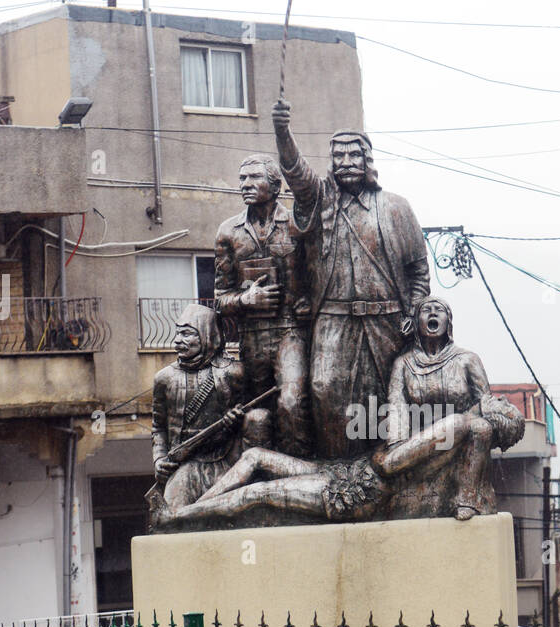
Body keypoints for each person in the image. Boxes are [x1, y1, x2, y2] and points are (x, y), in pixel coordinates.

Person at [272, 97, 430, 459]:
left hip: (387, 319)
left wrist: (415, 313)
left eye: (353, 156)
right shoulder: (321, 200)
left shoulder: (395, 207)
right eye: (338, 157)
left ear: (367, 160)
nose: (345, 163)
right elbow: (296, 173)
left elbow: (418, 271)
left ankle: (383, 469)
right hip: (333, 318)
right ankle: (336, 467)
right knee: (326, 389)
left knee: (381, 399)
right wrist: (283, 132)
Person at [164, 393, 526, 528]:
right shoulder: (466, 432)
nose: (500, 399)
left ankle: (180, 516)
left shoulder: (458, 423)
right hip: (356, 473)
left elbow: (392, 463)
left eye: (506, 406)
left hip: (359, 489)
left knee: (258, 492)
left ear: (498, 418)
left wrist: (389, 446)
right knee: (256, 457)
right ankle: (194, 510)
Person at [214, 153, 313, 456]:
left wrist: (310, 302)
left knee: (292, 401)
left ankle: (296, 471)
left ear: (275, 184)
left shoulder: (297, 224)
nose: (245, 184)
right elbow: (219, 298)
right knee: (258, 413)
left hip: (290, 331)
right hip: (251, 335)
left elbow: (320, 276)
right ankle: (262, 476)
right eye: (242, 178)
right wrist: (244, 300)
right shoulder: (228, 232)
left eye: (254, 177)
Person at [149, 304, 269, 526]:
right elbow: (158, 428)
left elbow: (253, 417)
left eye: (187, 333)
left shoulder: (233, 372)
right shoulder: (164, 378)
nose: (178, 340)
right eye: (177, 333)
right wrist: (159, 460)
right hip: (187, 464)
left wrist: (236, 421)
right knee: (172, 524)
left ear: (206, 335)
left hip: (227, 460)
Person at [384, 296, 494, 519]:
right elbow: (397, 407)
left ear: (448, 322)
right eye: (426, 310)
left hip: (460, 438)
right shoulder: (403, 364)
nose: (433, 314)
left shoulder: (467, 360)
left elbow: (486, 404)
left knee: (482, 427)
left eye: (439, 310)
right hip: (420, 443)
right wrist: (397, 445)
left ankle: (466, 499)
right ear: (417, 323)